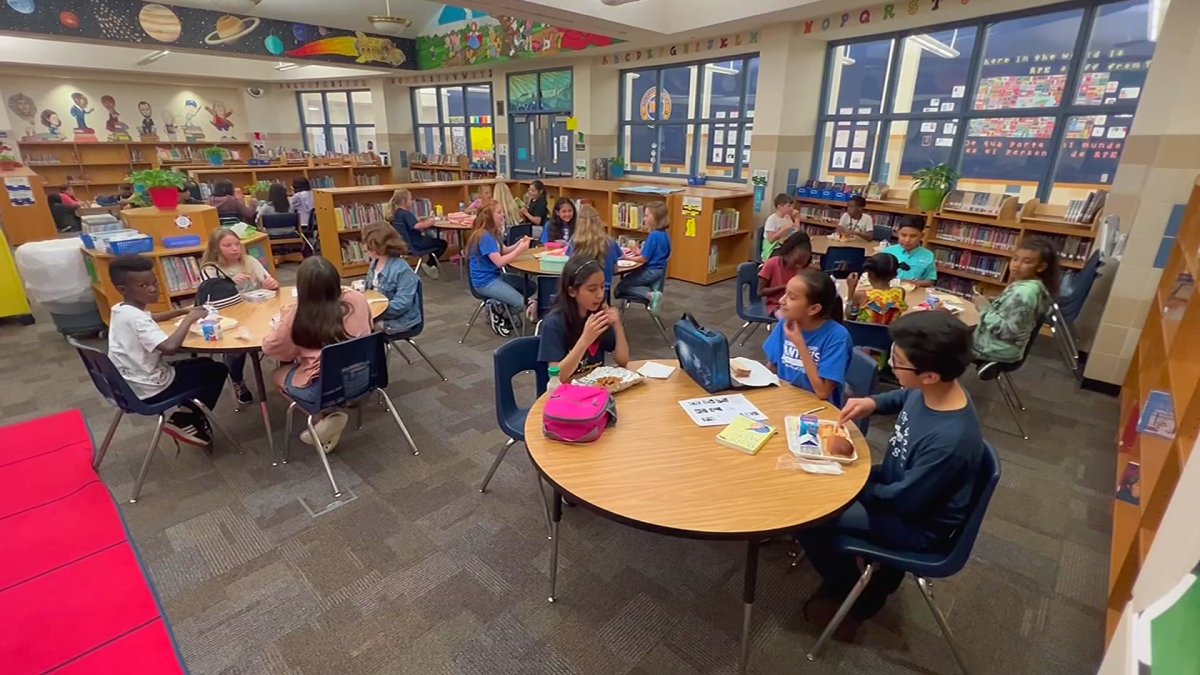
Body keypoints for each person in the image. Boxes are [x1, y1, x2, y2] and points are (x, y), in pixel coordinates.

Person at [799, 311, 983, 640]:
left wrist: (851, 489)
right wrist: (872, 402)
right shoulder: (936, 389)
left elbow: (906, 501)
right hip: (900, 486)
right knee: (820, 482)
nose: (889, 364)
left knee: (811, 518)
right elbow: (904, 395)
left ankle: (852, 590)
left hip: (917, 523)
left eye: (896, 361)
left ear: (928, 375)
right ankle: (873, 573)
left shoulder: (949, 440)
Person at [107, 254, 228, 447]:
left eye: (154, 283)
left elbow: (151, 317)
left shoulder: (122, 309)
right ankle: (187, 419)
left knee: (204, 364)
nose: (153, 289)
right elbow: (170, 348)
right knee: (218, 370)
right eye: (143, 286)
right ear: (122, 289)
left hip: (126, 383)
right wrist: (189, 320)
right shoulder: (137, 320)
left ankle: (187, 415)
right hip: (150, 387)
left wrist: (181, 311)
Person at [263, 257, 372, 453]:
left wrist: (281, 324)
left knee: (276, 376)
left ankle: (324, 417)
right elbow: (369, 328)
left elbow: (273, 348)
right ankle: (329, 419)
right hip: (364, 376)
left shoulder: (300, 313)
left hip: (325, 387)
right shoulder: (357, 299)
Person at [199, 228, 279, 406]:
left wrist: (271, 284)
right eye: (227, 245)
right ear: (215, 249)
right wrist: (230, 282)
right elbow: (213, 296)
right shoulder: (210, 269)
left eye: (237, 244)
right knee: (236, 348)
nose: (234, 249)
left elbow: (268, 281)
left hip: (256, 311)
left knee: (281, 330)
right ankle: (237, 380)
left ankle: (285, 367)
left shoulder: (249, 260)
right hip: (227, 317)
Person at [762, 268, 852, 406]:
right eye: (785, 293)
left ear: (813, 309)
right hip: (783, 400)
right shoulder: (785, 324)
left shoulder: (837, 337)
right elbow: (771, 368)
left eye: (791, 297)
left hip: (816, 410)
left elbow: (822, 393)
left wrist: (800, 344)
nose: (781, 300)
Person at [538, 256, 630, 383]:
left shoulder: (597, 314)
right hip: (565, 394)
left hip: (594, 391)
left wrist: (617, 326)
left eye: (603, 287)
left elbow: (622, 360)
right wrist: (585, 340)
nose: (600, 295)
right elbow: (557, 377)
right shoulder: (554, 323)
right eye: (592, 289)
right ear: (572, 291)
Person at [972, 237, 1059, 364]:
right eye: (1015, 259)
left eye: (1027, 262)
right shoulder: (1034, 286)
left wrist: (984, 308)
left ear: (1041, 267)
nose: (1016, 265)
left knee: (942, 339)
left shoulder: (1023, 293)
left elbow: (1006, 331)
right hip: (1006, 348)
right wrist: (997, 302)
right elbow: (1016, 313)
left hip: (994, 350)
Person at [468, 203, 534, 336]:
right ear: (489, 217)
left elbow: (503, 250)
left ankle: (500, 308)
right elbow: (500, 262)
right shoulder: (484, 236)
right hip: (485, 282)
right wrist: (521, 250)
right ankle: (499, 312)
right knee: (521, 303)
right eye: (499, 212)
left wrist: (519, 243)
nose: (502, 215)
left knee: (530, 287)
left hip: (495, 276)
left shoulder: (493, 232)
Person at [362, 221, 422, 334]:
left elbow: (401, 304)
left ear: (377, 245)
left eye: (366, 243)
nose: (363, 247)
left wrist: (371, 312)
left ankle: (372, 351)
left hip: (399, 320)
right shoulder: (374, 263)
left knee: (359, 330)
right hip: (378, 313)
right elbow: (370, 291)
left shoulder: (402, 270)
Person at [616, 201, 671, 316]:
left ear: (656, 218)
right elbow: (658, 254)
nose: (644, 219)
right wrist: (639, 252)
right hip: (658, 272)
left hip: (650, 272)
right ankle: (650, 294)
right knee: (627, 282)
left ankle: (650, 295)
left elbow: (644, 259)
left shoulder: (653, 235)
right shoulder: (665, 235)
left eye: (646, 216)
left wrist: (626, 257)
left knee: (621, 286)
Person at [384, 188, 448, 280]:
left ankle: (430, 264)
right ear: (403, 201)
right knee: (442, 243)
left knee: (431, 238)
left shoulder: (395, 214)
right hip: (416, 244)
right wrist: (431, 221)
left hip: (405, 245)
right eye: (410, 199)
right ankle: (430, 264)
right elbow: (417, 226)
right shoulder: (406, 213)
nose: (412, 202)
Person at [758, 231, 813, 318]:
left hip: (796, 306)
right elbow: (760, 291)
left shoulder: (802, 268)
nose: (798, 266)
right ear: (788, 252)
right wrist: (784, 287)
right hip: (776, 305)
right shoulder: (772, 263)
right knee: (789, 320)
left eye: (802, 264)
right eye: (796, 262)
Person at [567, 204, 621, 291]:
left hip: (581, 292)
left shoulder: (575, 242)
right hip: (603, 290)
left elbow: (571, 269)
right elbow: (615, 269)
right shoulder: (610, 242)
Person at [846, 252, 909, 324]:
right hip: (889, 334)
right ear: (894, 275)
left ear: (869, 274)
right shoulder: (900, 292)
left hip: (864, 333)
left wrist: (851, 290)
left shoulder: (862, 295)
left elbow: (850, 317)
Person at [883, 217, 937, 287]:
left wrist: (918, 283)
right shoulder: (888, 251)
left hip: (913, 293)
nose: (907, 240)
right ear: (897, 233)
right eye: (903, 235)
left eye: (913, 236)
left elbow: (930, 280)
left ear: (922, 235)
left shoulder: (928, 255)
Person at [762, 193, 797, 260]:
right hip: (773, 248)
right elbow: (770, 240)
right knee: (787, 258)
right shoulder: (772, 219)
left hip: (784, 245)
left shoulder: (787, 217)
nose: (791, 208)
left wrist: (797, 218)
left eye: (792, 206)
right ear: (779, 206)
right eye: (789, 206)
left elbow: (795, 232)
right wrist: (786, 228)